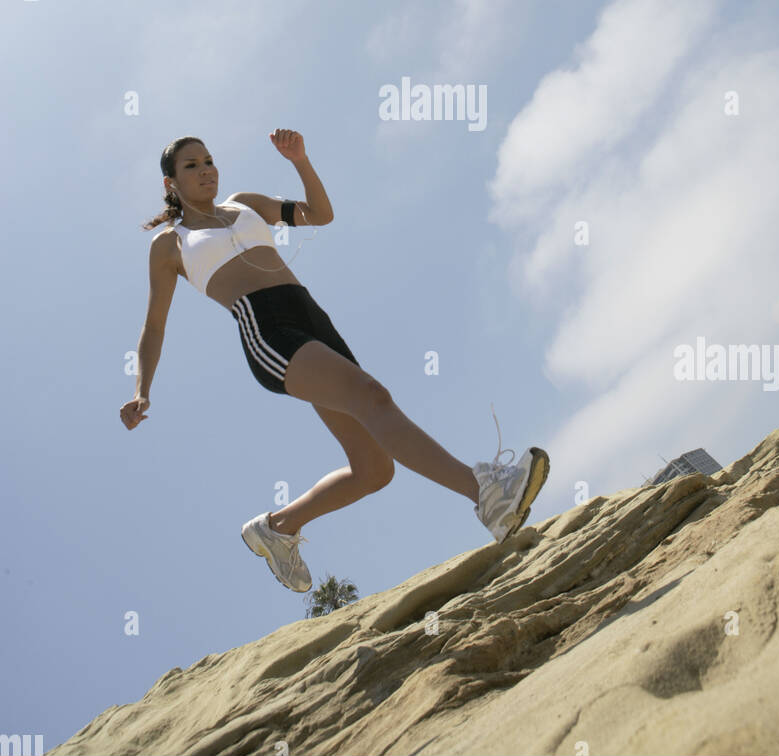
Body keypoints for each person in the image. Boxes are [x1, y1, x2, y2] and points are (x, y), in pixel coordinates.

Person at [123, 130, 550, 592]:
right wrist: (141, 389)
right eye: (191, 166)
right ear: (171, 184)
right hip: (267, 330)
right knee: (373, 396)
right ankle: (486, 493)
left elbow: (320, 216)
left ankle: (277, 526)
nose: (206, 169)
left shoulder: (245, 203)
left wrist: (301, 162)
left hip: (310, 318)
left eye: (208, 160)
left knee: (374, 469)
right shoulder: (170, 244)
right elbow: (154, 326)